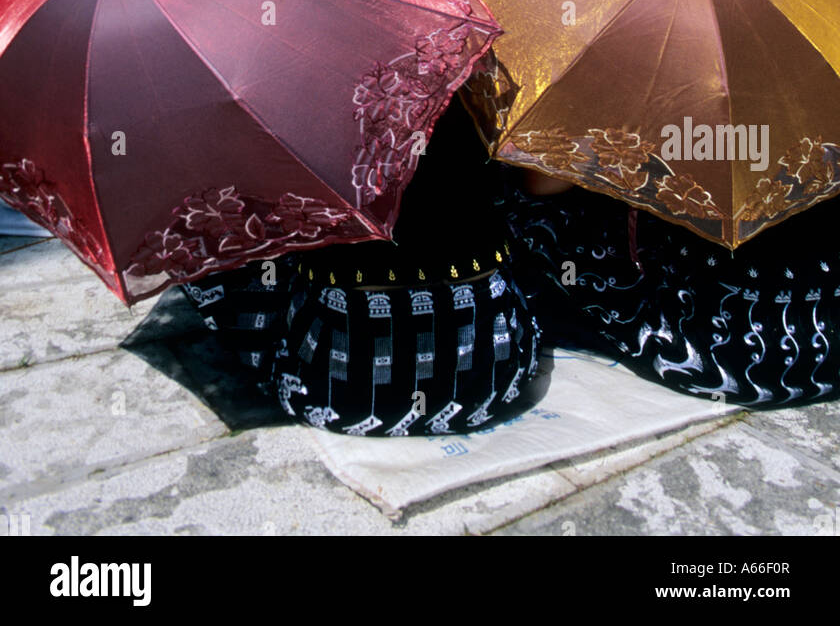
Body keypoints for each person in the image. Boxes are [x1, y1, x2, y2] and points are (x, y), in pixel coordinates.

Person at [183, 94, 541, 436]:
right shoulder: (480, 65)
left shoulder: (290, 85)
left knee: (210, 235)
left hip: (336, 389)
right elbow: (542, 185)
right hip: (489, 380)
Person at [503, 159, 840, 408]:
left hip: (714, 342)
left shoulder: (653, 84)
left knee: (535, 224)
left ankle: (560, 292)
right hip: (824, 334)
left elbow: (542, 183)